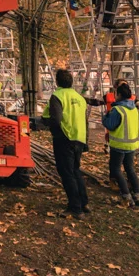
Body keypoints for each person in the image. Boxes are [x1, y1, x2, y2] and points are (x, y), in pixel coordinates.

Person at [42, 69, 97, 219]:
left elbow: (56, 120)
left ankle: (75, 208)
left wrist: (54, 131)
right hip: (79, 138)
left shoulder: (57, 96)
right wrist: (85, 140)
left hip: (64, 139)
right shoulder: (79, 97)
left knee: (67, 173)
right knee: (75, 170)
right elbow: (84, 120)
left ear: (57, 81)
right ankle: (83, 202)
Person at [102, 82, 139, 207]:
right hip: (132, 145)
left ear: (119, 95)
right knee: (130, 169)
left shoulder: (117, 110)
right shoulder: (135, 110)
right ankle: (138, 195)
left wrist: (104, 118)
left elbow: (110, 125)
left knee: (116, 170)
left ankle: (126, 195)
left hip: (119, 145)